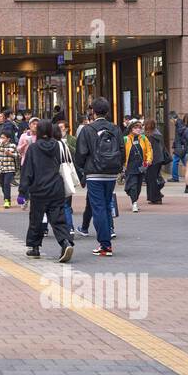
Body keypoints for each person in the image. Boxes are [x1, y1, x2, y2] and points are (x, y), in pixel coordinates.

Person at [74, 97, 123, 256]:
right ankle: (107, 238)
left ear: (93, 112)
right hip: (111, 173)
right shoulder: (115, 128)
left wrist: (82, 169)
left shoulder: (88, 129)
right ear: (107, 111)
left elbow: (80, 154)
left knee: (98, 207)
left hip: (94, 173)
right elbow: (122, 150)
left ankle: (105, 244)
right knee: (107, 205)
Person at [19, 121, 75, 263]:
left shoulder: (33, 148)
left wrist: (22, 192)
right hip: (56, 187)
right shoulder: (57, 145)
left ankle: (35, 247)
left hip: (39, 188)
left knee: (36, 218)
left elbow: (27, 172)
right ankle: (65, 243)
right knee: (58, 218)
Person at [122, 120, 152, 212]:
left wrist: (148, 161)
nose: (138, 129)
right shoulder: (126, 139)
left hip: (141, 166)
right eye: (136, 127)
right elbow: (122, 153)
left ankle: (134, 199)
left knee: (138, 186)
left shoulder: (143, 138)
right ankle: (134, 203)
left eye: (139, 127)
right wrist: (122, 165)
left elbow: (149, 150)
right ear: (131, 129)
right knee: (133, 185)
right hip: (130, 166)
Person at [0, 129, 19, 208]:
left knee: (7, 184)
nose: (1, 139)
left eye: (3, 137)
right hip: (1, 168)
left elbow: (18, 156)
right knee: (3, 185)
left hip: (10, 168)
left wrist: (11, 154)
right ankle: (7, 199)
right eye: (1, 137)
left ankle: (6, 200)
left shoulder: (13, 146)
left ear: (8, 139)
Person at [142, 118, 165, 204]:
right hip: (158, 159)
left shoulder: (149, 136)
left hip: (151, 159)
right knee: (154, 178)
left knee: (151, 179)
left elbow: (146, 149)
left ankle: (155, 198)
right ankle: (155, 196)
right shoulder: (157, 134)